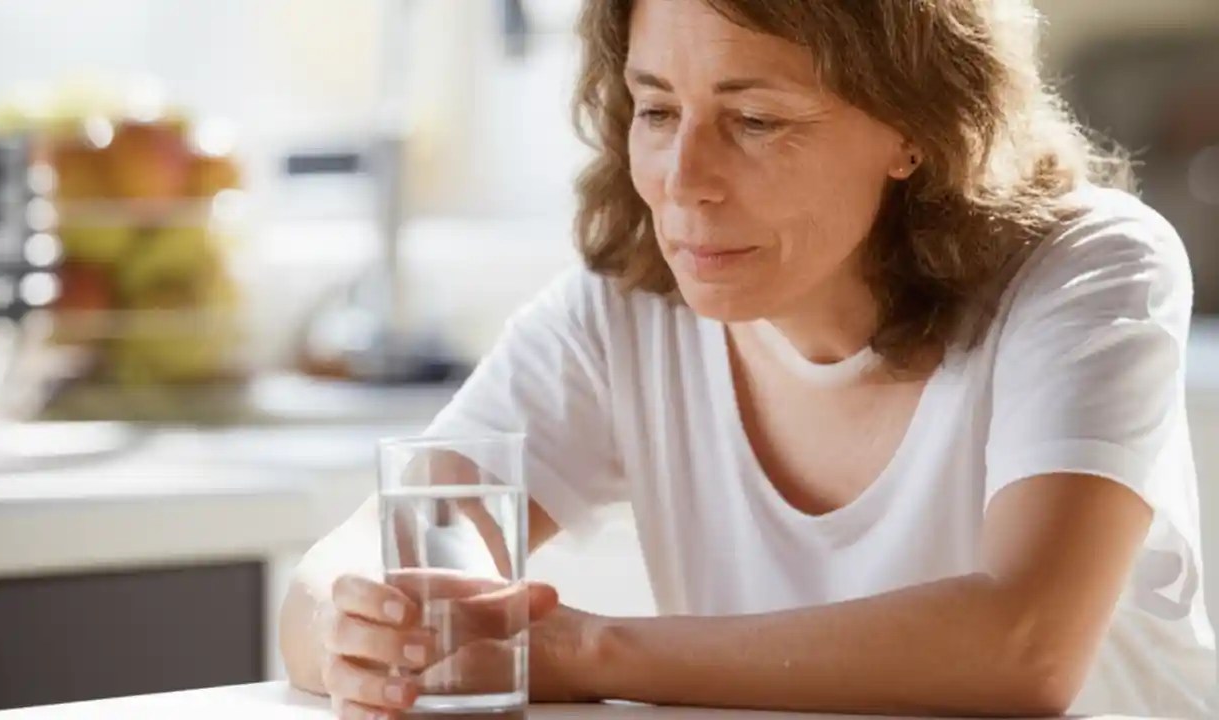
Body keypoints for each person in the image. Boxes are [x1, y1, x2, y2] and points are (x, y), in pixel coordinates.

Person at [279, 0, 1217, 717]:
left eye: (756, 121)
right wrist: (360, 623)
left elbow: (1026, 648)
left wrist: (581, 650)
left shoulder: (1091, 269)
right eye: (655, 109)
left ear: (914, 128)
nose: (683, 181)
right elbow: (369, 555)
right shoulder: (626, 311)